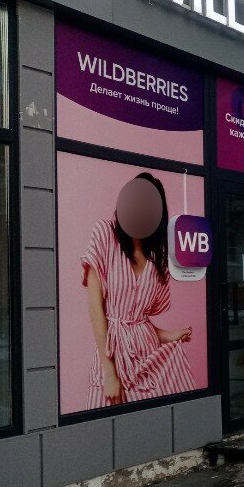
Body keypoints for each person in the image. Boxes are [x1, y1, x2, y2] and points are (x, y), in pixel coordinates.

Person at [83, 173, 195, 409]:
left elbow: (139, 321)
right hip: (113, 355)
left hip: (148, 358)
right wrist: (108, 370)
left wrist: (168, 334)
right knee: (106, 425)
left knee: (151, 426)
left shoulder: (157, 258)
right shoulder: (105, 234)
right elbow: (95, 307)